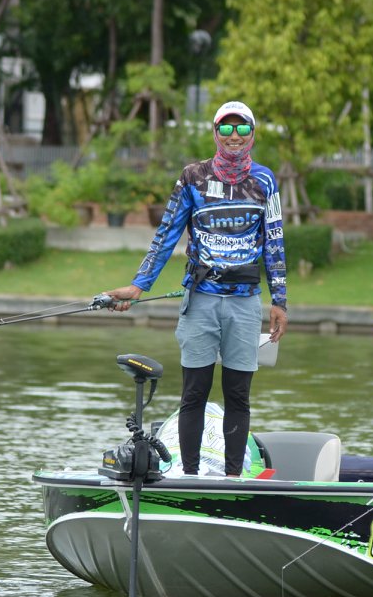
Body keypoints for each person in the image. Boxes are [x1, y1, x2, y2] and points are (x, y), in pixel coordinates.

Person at [106, 101, 286, 476]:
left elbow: (274, 241)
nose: (233, 136)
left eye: (241, 129)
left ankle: (234, 479)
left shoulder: (265, 182)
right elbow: (166, 234)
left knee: (238, 395)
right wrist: (139, 286)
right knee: (194, 394)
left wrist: (280, 301)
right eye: (226, 128)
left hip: (245, 303)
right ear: (215, 133)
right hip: (201, 301)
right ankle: (188, 476)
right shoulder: (193, 178)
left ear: (252, 134)